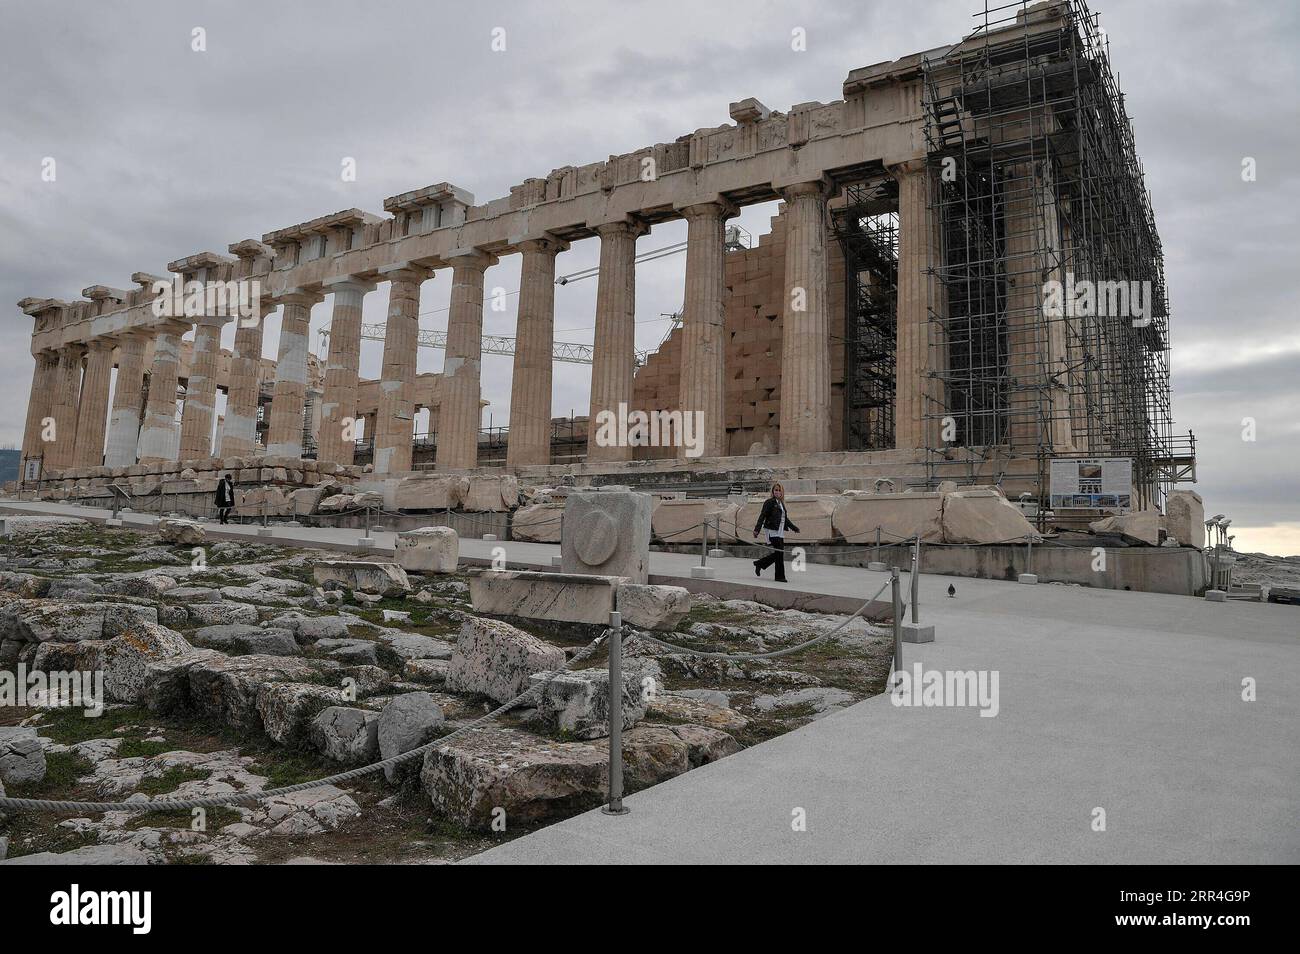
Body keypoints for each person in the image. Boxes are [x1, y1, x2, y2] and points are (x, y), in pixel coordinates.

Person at [752, 482, 799, 582]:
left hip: (780, 531)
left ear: (782, 492)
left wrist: (794, 528)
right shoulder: (769, 502)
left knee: (779, 554)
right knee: (779, 553)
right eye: (776, 490)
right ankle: (779, 576)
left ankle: (760, 564)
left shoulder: (781, 503)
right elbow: (762, 516)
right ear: (773, 491)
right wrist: (757, 529)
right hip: (772, 530)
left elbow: (785, 519)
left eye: (779, 490)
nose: (777, 492)